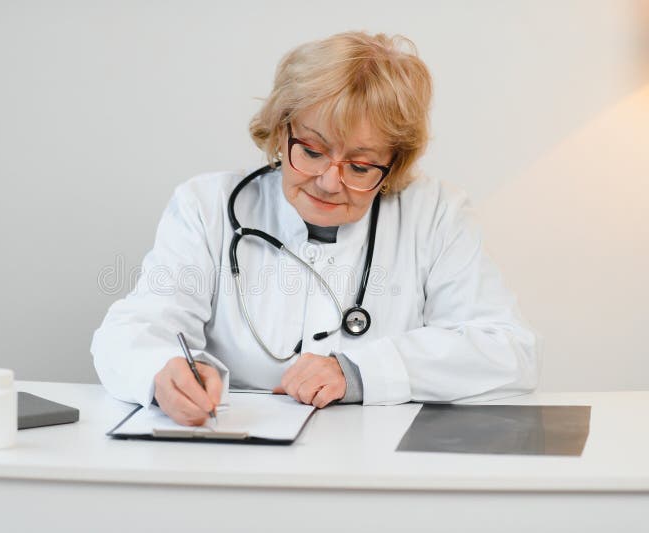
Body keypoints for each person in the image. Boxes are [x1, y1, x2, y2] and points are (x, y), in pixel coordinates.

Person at [91, 31, 540, 426]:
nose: (329, 181)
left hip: (382, 470)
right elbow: (135, 328)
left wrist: (360, 372)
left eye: (361, 166)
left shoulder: (435, 212)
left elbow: (508, 351)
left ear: (394, 164)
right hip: (236, 466)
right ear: (280, 131)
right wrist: (161, 371)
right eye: (311, 151)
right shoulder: (205, 206)